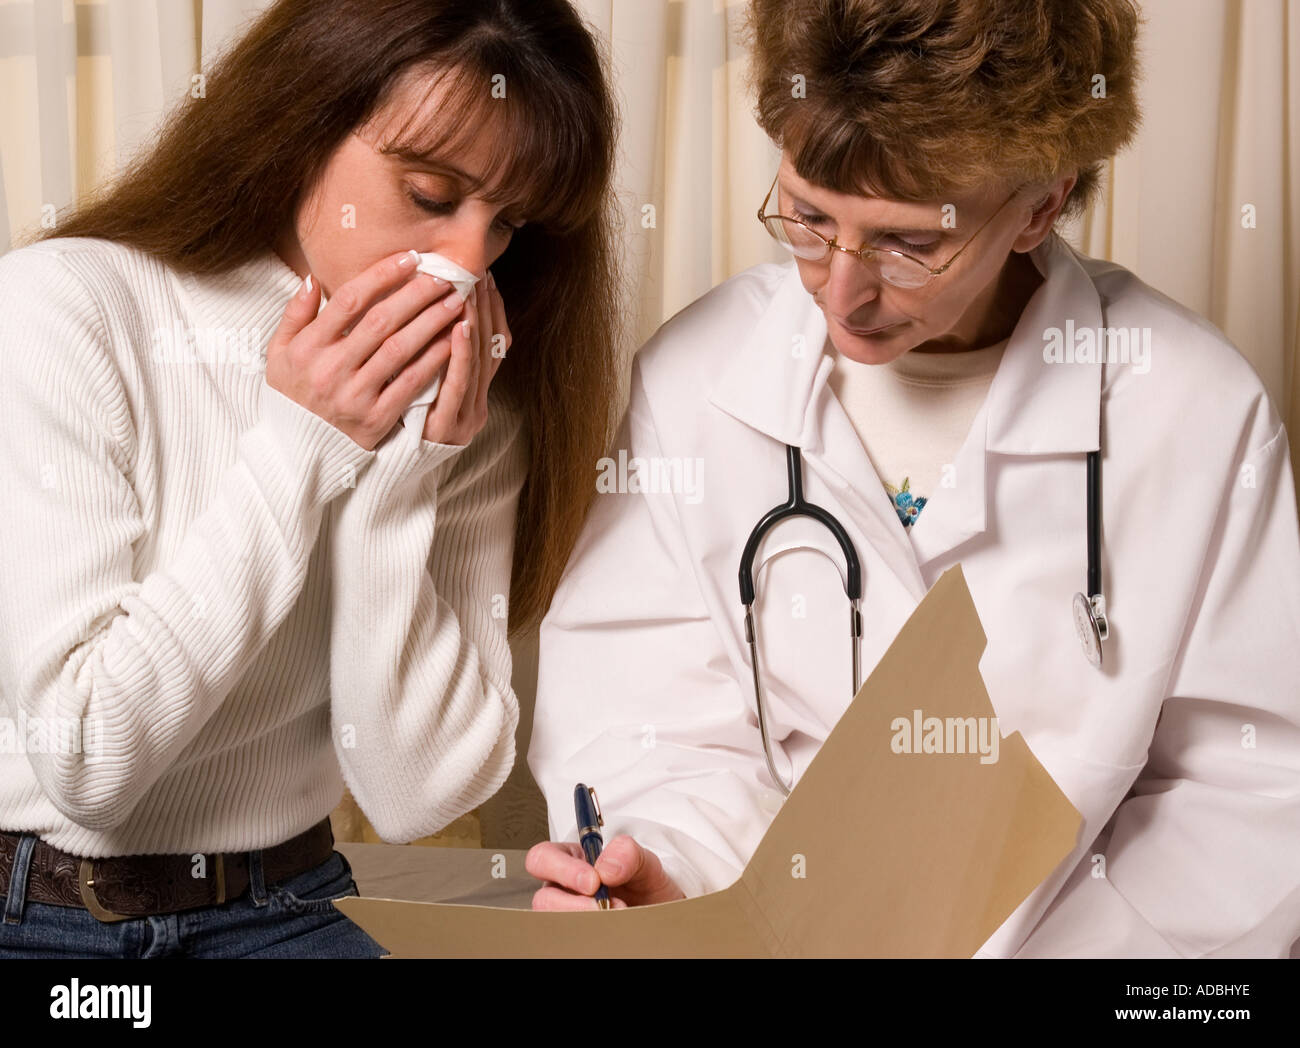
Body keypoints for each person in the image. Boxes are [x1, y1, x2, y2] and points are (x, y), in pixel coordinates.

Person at [526, 0, 1300, 958]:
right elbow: (645, 719)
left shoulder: (1192, 410)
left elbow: (1246, 794)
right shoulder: (698, 383)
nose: (840, 291)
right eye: (808, 218)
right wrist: (668, 874)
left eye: (907, 244)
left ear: (1042, 205)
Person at [0, 0, 619, 958]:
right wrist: (304, 444)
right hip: (41, 911)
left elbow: (416, 795)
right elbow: (89, 762)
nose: (467, 261)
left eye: (508, 223)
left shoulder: (468, 402)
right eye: (429, 192)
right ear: (299, 128)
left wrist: (402, 479)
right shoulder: (68, 308)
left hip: (285, 906)